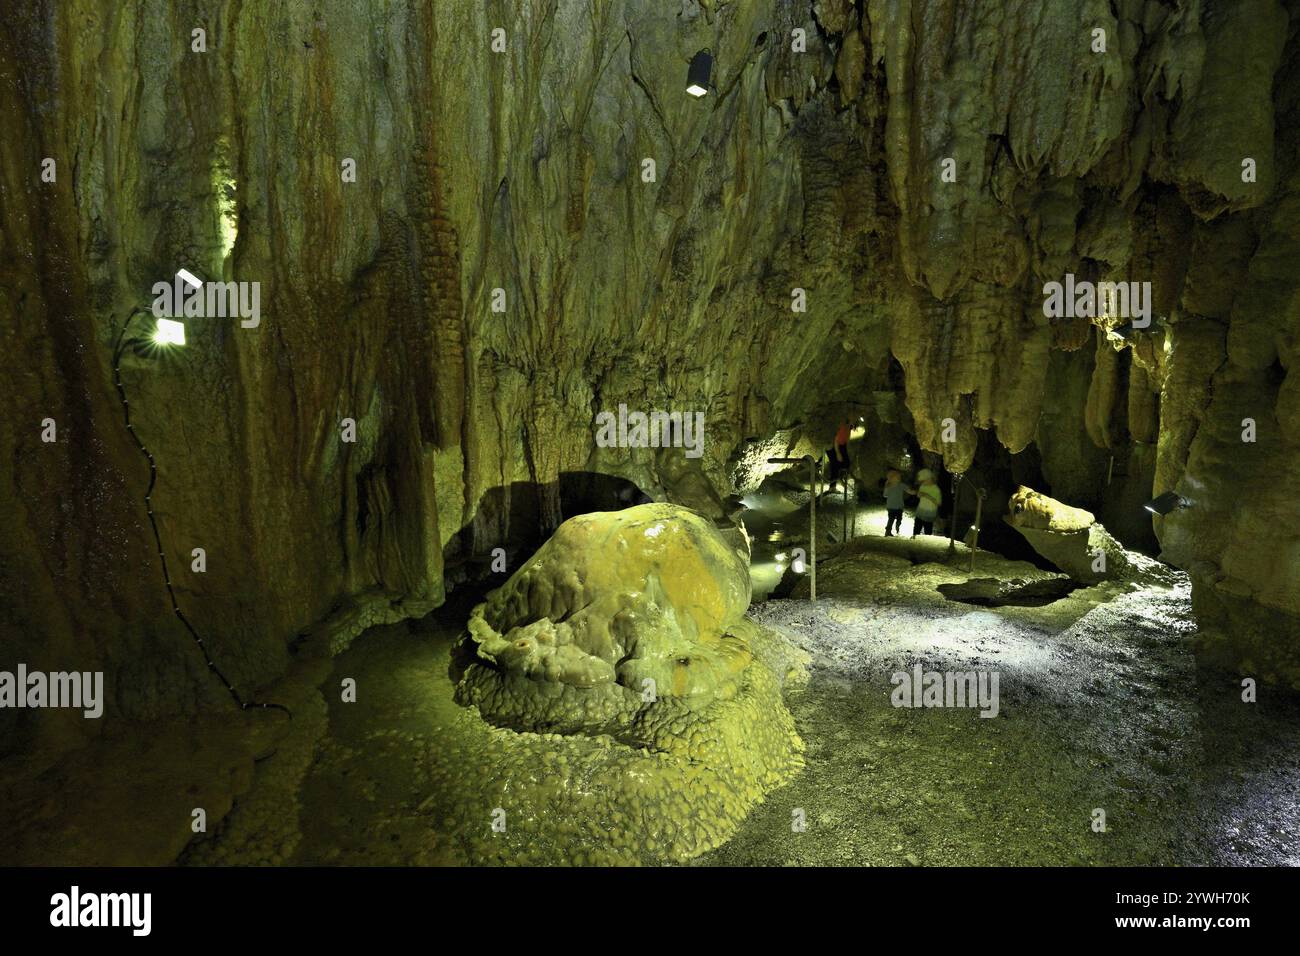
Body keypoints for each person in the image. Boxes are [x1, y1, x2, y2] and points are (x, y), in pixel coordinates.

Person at [911, 469, 942, 537]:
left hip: (929, 513)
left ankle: (926, 544)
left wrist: (927, 496)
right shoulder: (922, 486)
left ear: (929, 479)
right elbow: (919, 496)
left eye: (923, 481)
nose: (922, 482)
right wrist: (919, 494)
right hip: (920, 511)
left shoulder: (936, 489)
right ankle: (914, 541)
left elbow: (939, 503)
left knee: (927, 530)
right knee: (916, 528)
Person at [882, 469, 906, 536]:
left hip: (899, 506)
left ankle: (897, 527)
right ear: (891, 479)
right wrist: (886, 487)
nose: (899, 478)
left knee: (899, 519)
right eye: (897, 477)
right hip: (891, 507)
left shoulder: (901, 485)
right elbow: (885, 495)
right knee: (891, 519)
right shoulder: (889, 487)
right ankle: (888, 532)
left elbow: (908, 490)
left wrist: (914, 492)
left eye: (899, 477)